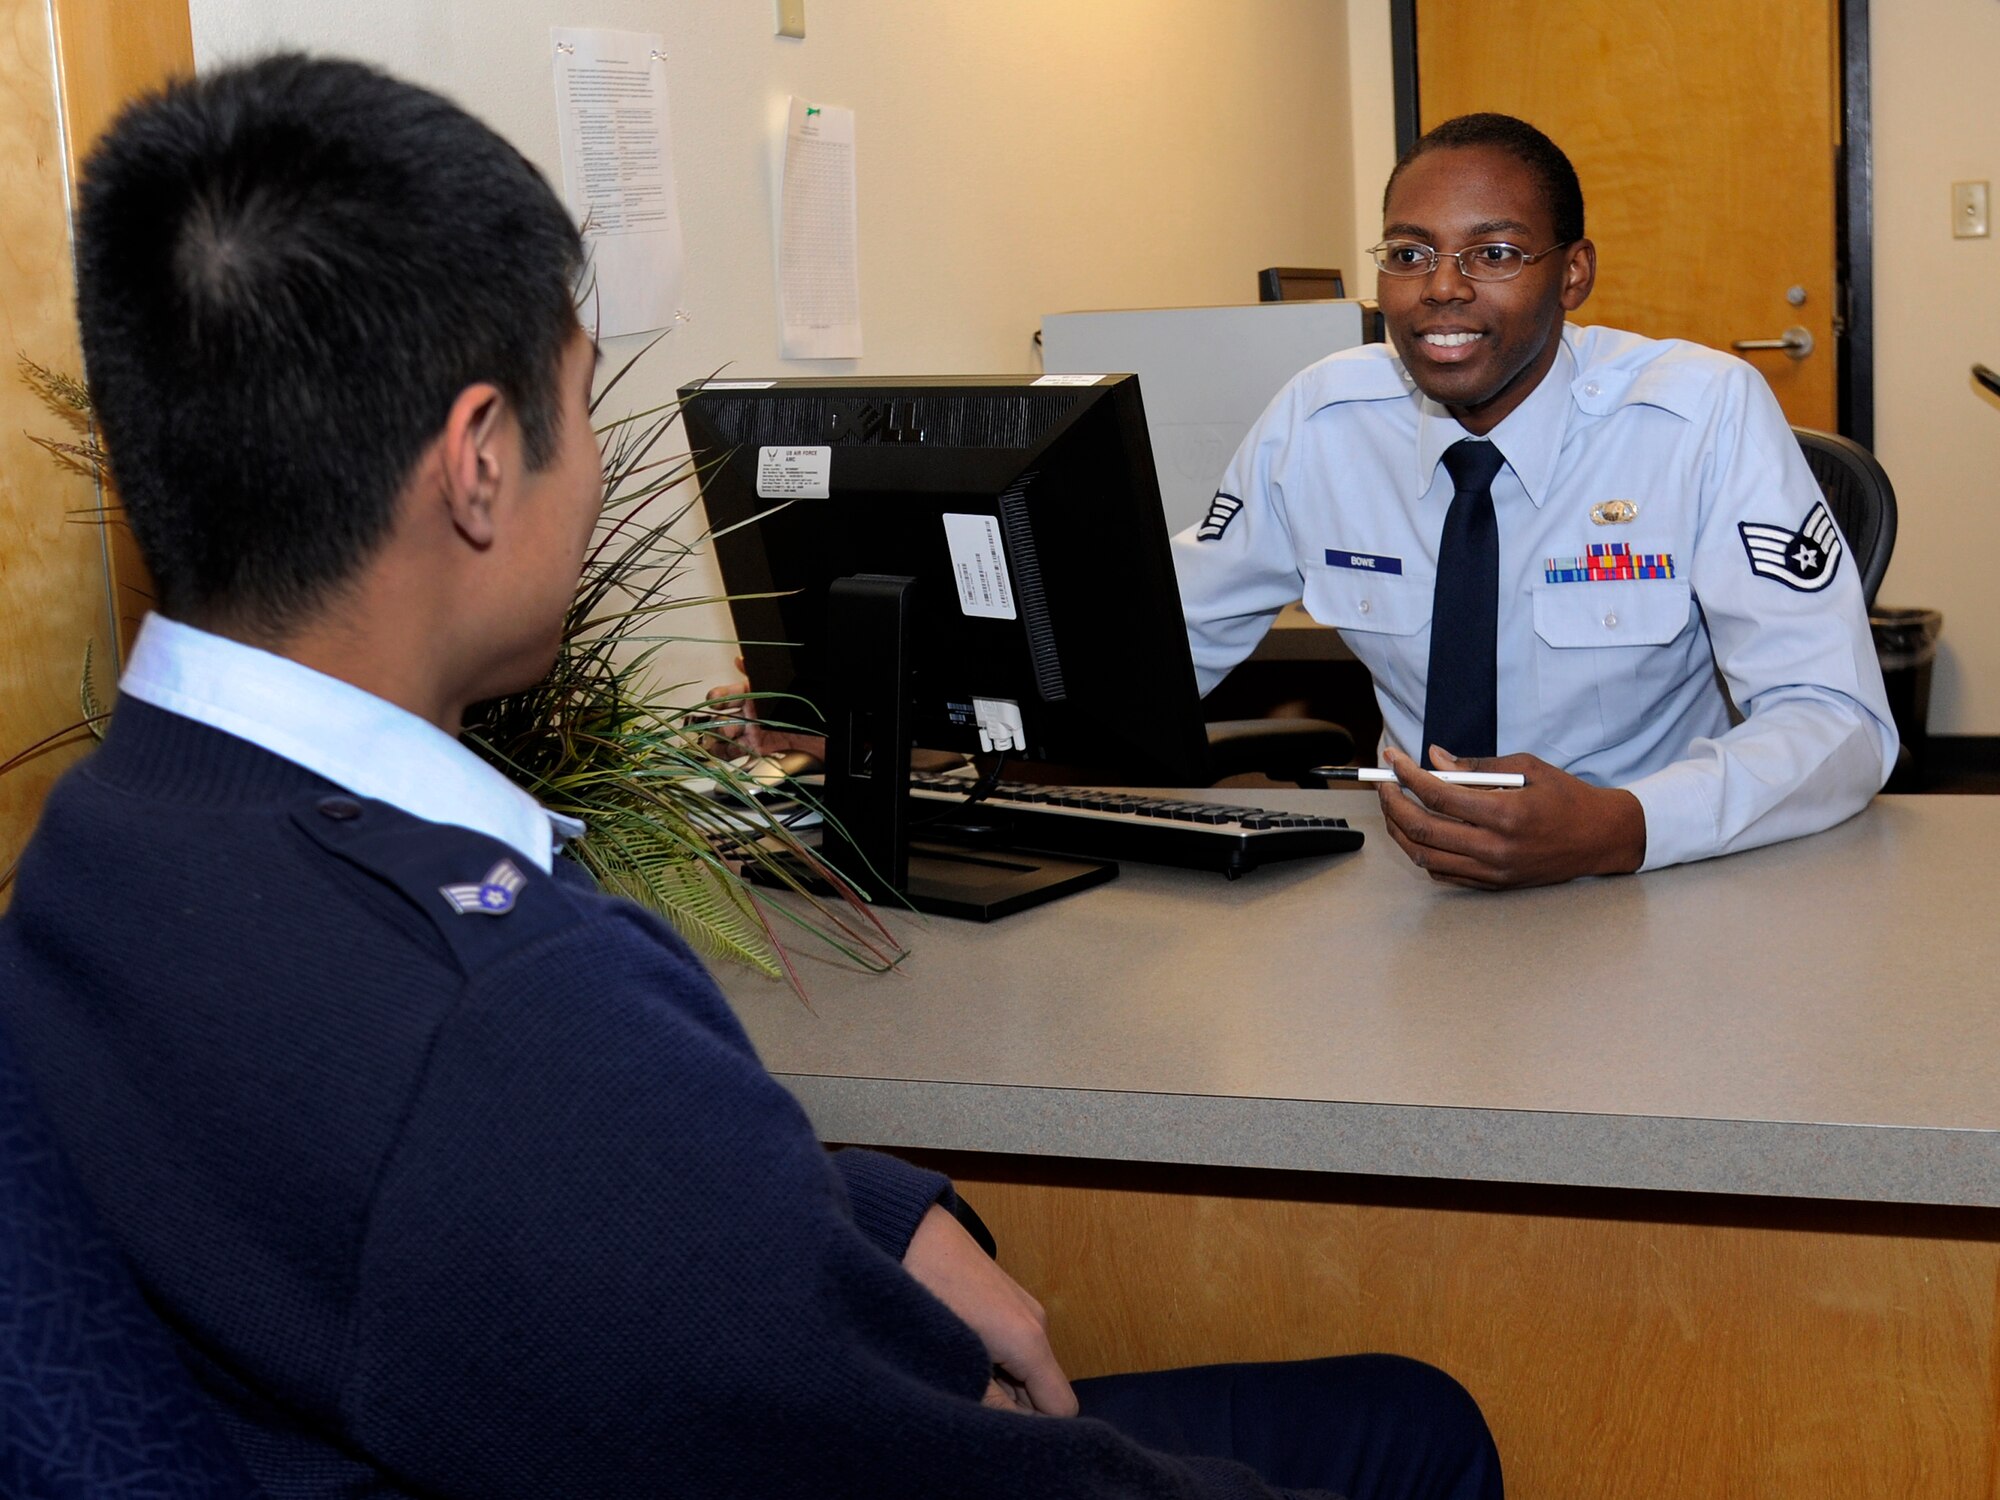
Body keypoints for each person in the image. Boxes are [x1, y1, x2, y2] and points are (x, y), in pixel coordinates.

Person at [0, 56, 1500, 1499]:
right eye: (583, 400)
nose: (597, 468)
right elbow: (880, 1453)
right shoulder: (507, 1002)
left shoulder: (104, 833)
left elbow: (540, 1201)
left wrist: (867, 1210)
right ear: (478, 463)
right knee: (1412, 1431)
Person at [1174, 113, 1897, 890]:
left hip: (1652, 873)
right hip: (1412, 876)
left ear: (1573, 274)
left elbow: (1838, 721)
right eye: (1410, 254)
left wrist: (1621, 826)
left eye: (1494, 254)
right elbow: (1168, 636)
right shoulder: (1322, 421)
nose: (1442, 288)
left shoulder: (1700, 415)